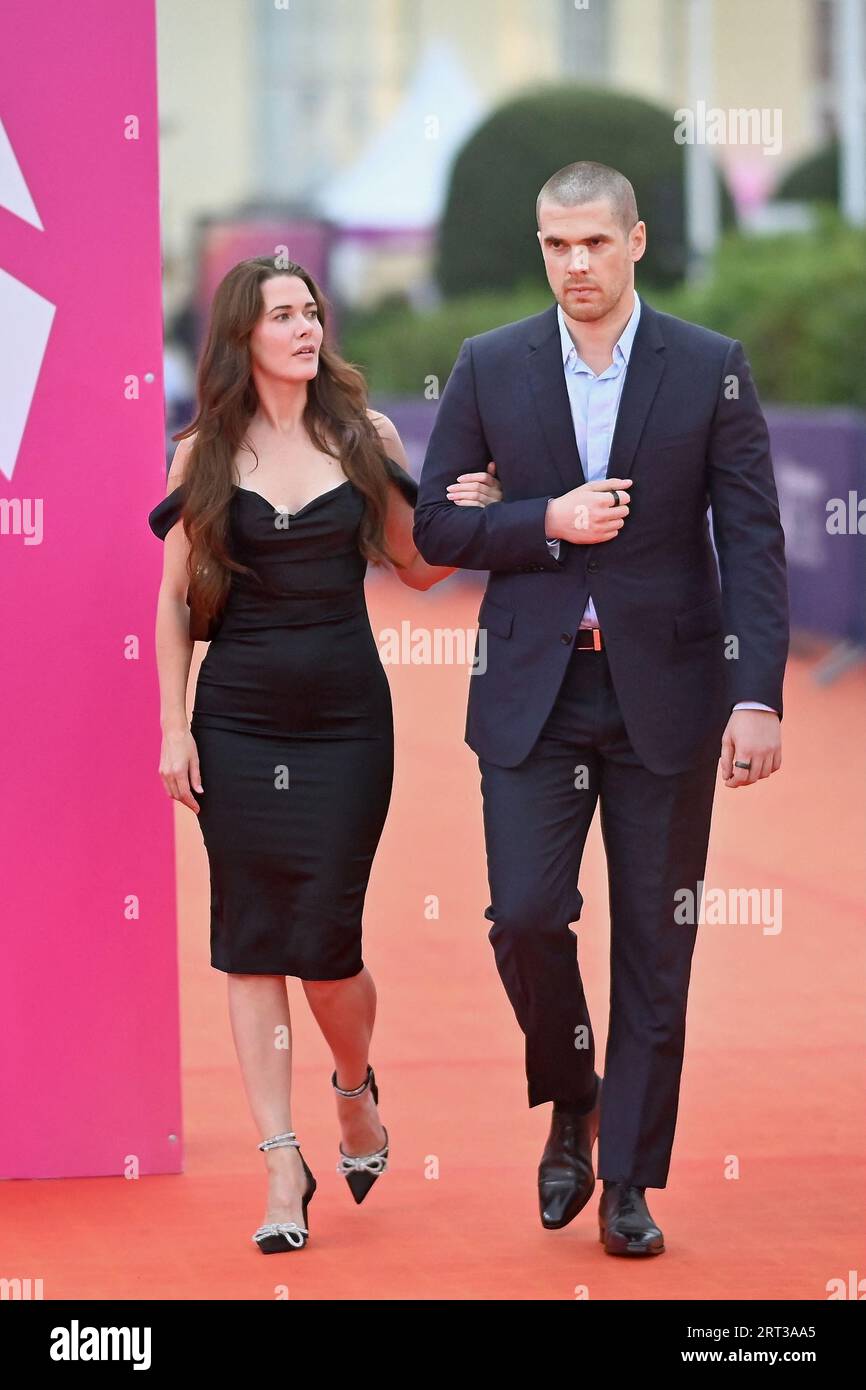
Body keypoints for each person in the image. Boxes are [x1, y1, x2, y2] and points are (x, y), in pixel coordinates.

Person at [412, 161, 788, 1256]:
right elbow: (435, 528)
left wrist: (756, 693)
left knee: (653, 950)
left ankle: (626, 1175)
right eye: (553, 245)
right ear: (540, 249)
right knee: (525, 917)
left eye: (591, 243)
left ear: (631, 241)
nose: (573, 263)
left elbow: (752, 541)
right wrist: (544, 521)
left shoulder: (709, 367)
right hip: (532, 691)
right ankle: (571, 1092)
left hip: (665, 695)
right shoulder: (488, 363)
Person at [148, 255, 501, 1254]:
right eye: (282, 315)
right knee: (252, 940)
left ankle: (354, 1089)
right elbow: (173, 602)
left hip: (347, 720)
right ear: (241, 336)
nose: (305, 328)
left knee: (326, 945)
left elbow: (418, 566)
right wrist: (172, 727)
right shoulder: (202, 452)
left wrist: (467, 508)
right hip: (238, 716)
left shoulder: (363, 435)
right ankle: (277, 1164)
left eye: (311, 311)